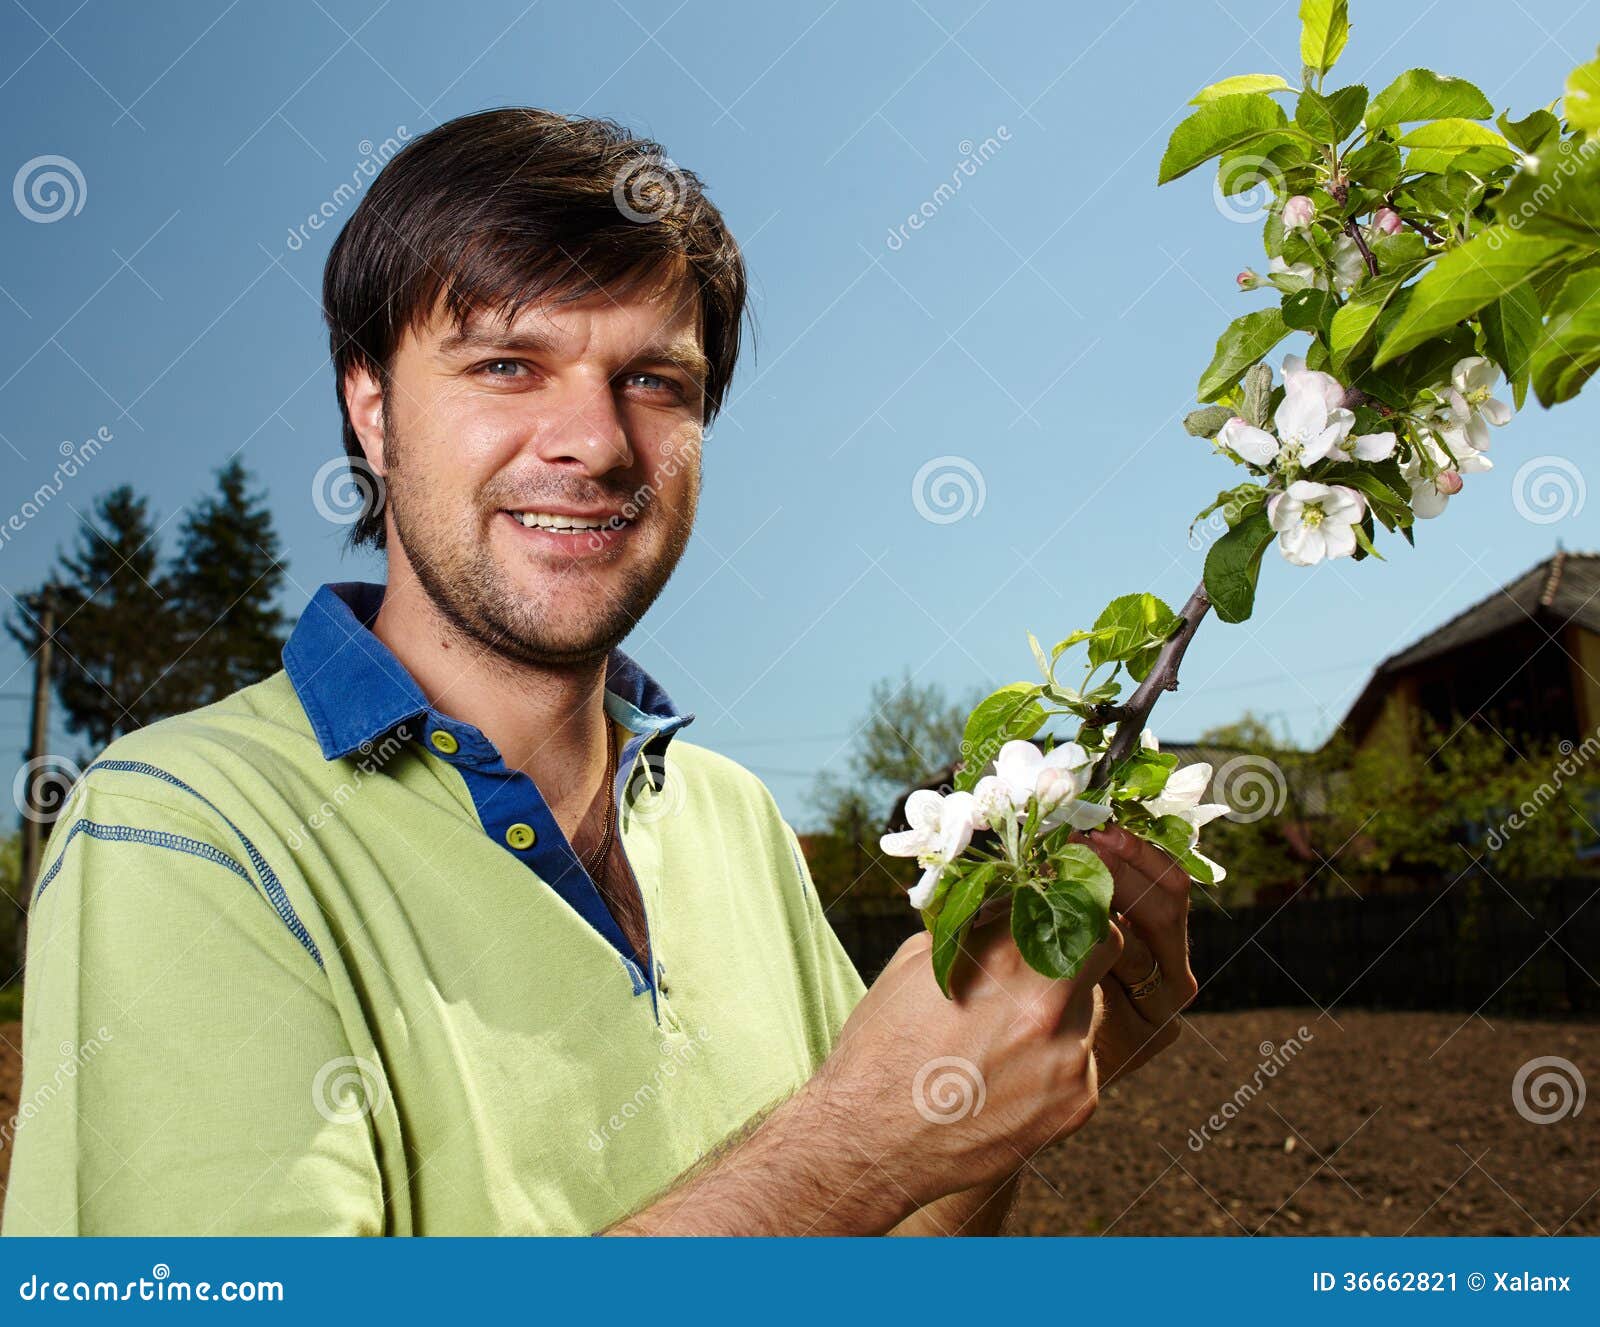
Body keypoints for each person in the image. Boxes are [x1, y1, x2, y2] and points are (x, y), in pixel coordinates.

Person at [2, 109, 1196, 1237]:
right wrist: (860, 1145)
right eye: (508, 366)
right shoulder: (181, 833)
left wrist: (974, 1114)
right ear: (370, 411)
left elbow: (875, 1245)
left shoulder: (734, 820)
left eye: (653, 380)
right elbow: (846, 1171)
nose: (595, 441)